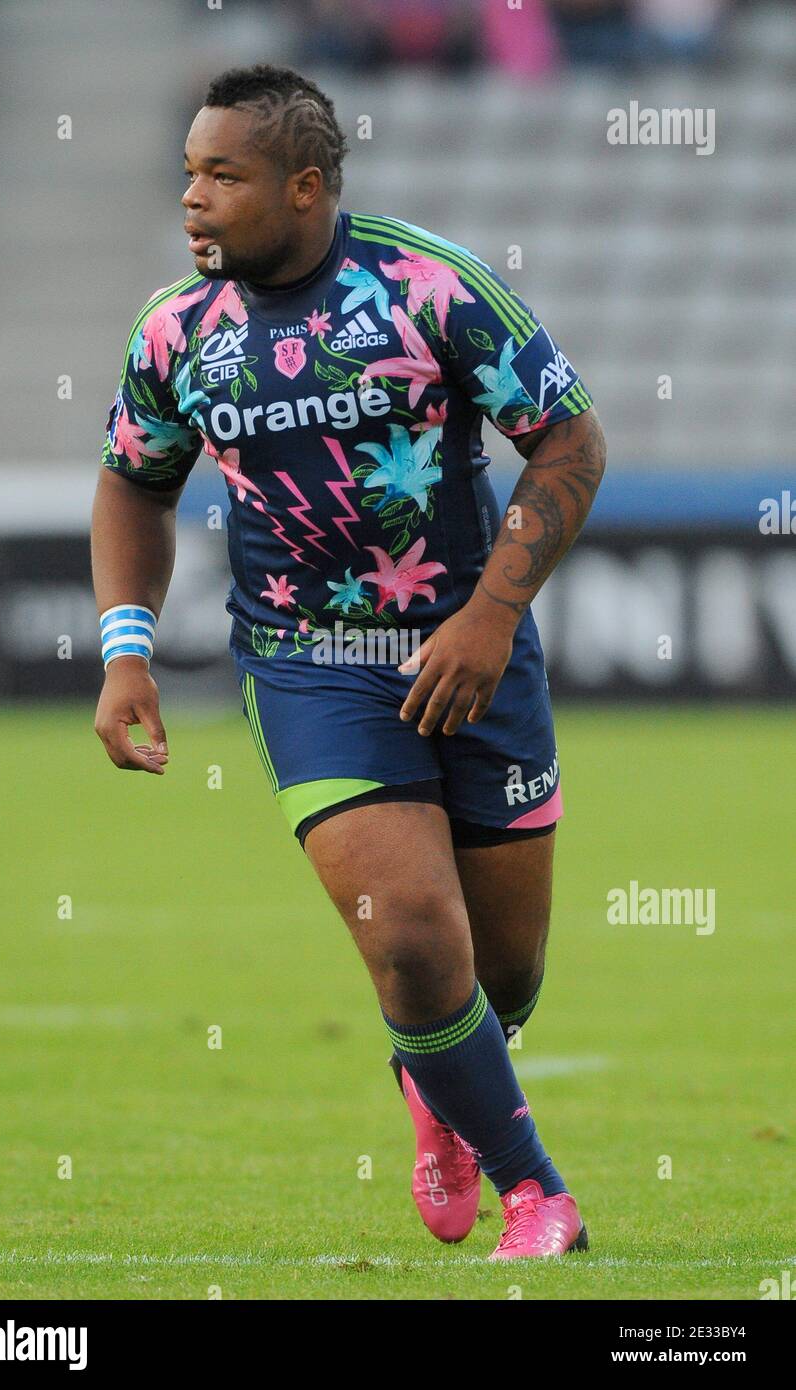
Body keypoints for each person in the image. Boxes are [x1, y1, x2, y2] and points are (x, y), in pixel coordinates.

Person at [91, 63, 606, 1260]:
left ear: (307, 185)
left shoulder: (426, 287)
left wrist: (487, 616)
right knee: (417, 939)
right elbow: (132, 478)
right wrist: (126, 651)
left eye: (224, 175)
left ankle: (439, 1089)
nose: (194, 199)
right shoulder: (178, 331)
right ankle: (540, 1197)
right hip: (307, 664)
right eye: (187, 174)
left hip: (469, 655)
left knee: (502, 972)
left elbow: (568, 440)